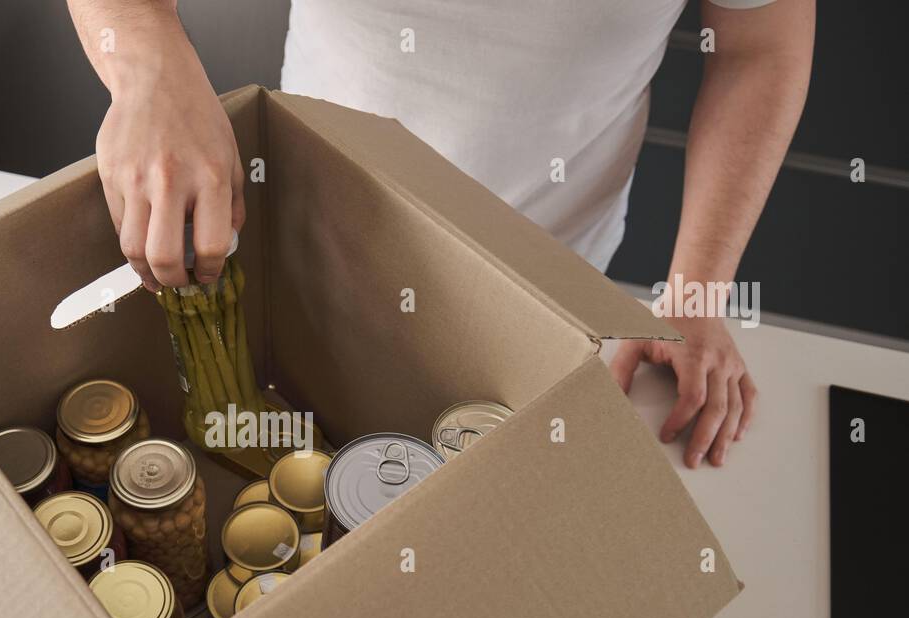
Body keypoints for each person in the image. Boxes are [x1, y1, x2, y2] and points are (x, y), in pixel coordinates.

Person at [66, 0, 814, 469]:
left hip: (549, 279)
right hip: (312, 237)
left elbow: (759, 46)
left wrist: (698, 288)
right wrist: (146, 67)